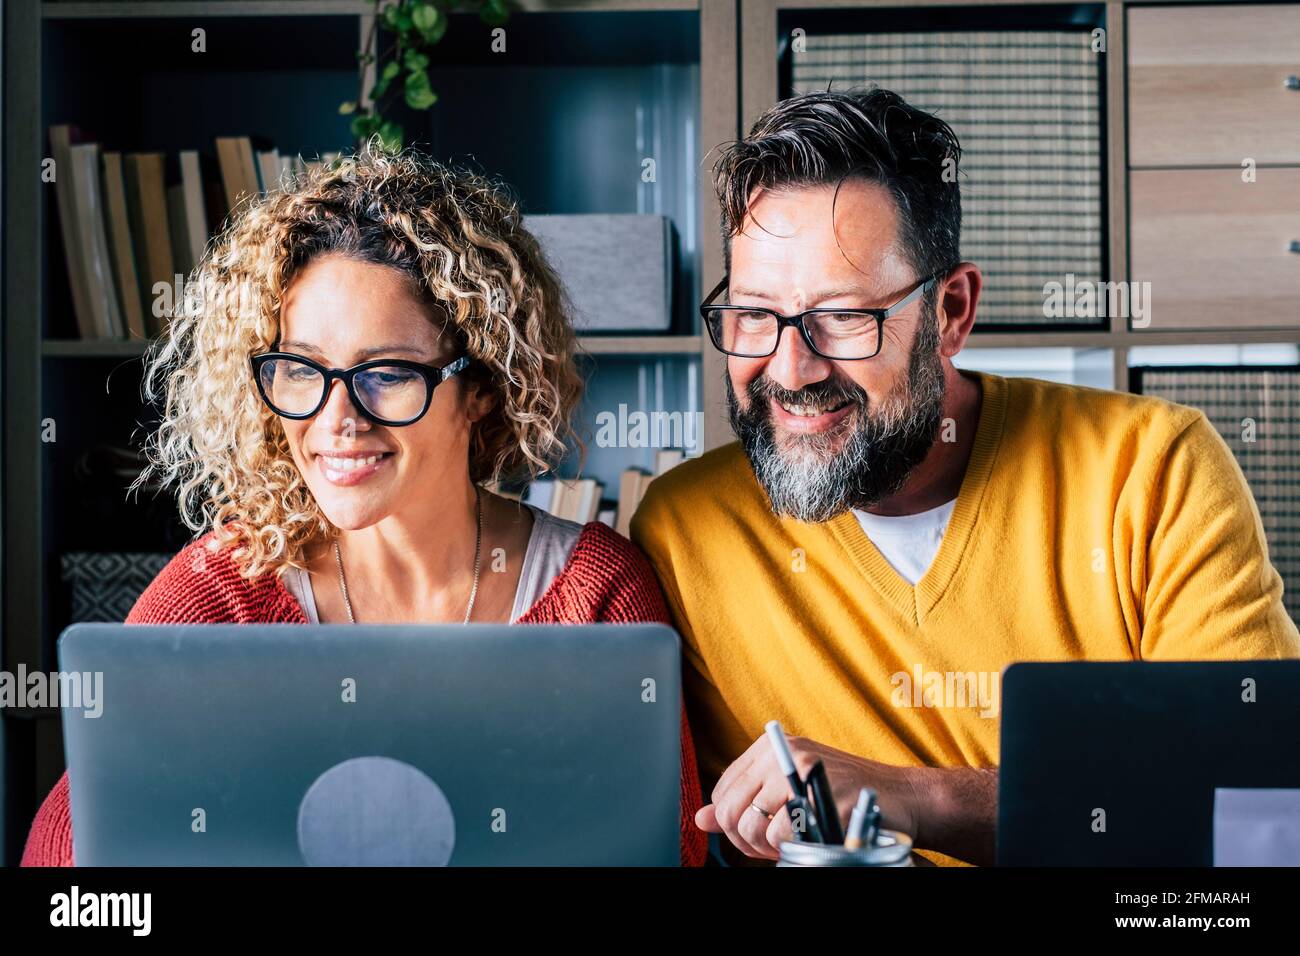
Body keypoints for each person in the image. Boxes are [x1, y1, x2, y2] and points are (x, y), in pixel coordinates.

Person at [630, 87, 1300, 867]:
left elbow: (1258, 807)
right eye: (752, 314)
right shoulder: (683, 527)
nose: (790, 367)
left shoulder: (1150, 471)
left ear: (951, 310)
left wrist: (917, 800)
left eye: (843, 316)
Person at [23, 143, 707, 867]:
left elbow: (671, 849)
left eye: (384, 373)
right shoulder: (223, 590)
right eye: (301, 369)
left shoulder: (594, 591)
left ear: (480, 387)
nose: (336, 421)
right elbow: (66, 857)